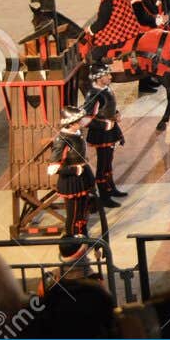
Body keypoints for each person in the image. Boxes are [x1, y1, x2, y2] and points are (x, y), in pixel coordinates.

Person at [47, 104, 96, 263]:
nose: (81, 123)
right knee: (73, 214)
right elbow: (52, 169)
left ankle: (82, 234)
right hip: (72, 181)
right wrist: (73, 170)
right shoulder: (62, 140)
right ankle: (72, 242)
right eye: (78, 121)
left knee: (82, 210)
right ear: (70, 123)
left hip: (82, 177)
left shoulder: (76, 132)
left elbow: (89, 120)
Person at [80, 63, 126, 209]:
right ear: (99, 78)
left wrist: (116, 113)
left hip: (110, 130)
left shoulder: (105, 88)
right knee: (103, 165)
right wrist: (105, 125)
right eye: (107, 75)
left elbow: (108, 106)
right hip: (102, 134)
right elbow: (85, 118)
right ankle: (105, 197)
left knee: (108, 162)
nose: (110, 77)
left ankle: (111, 188)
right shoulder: (94, 95)